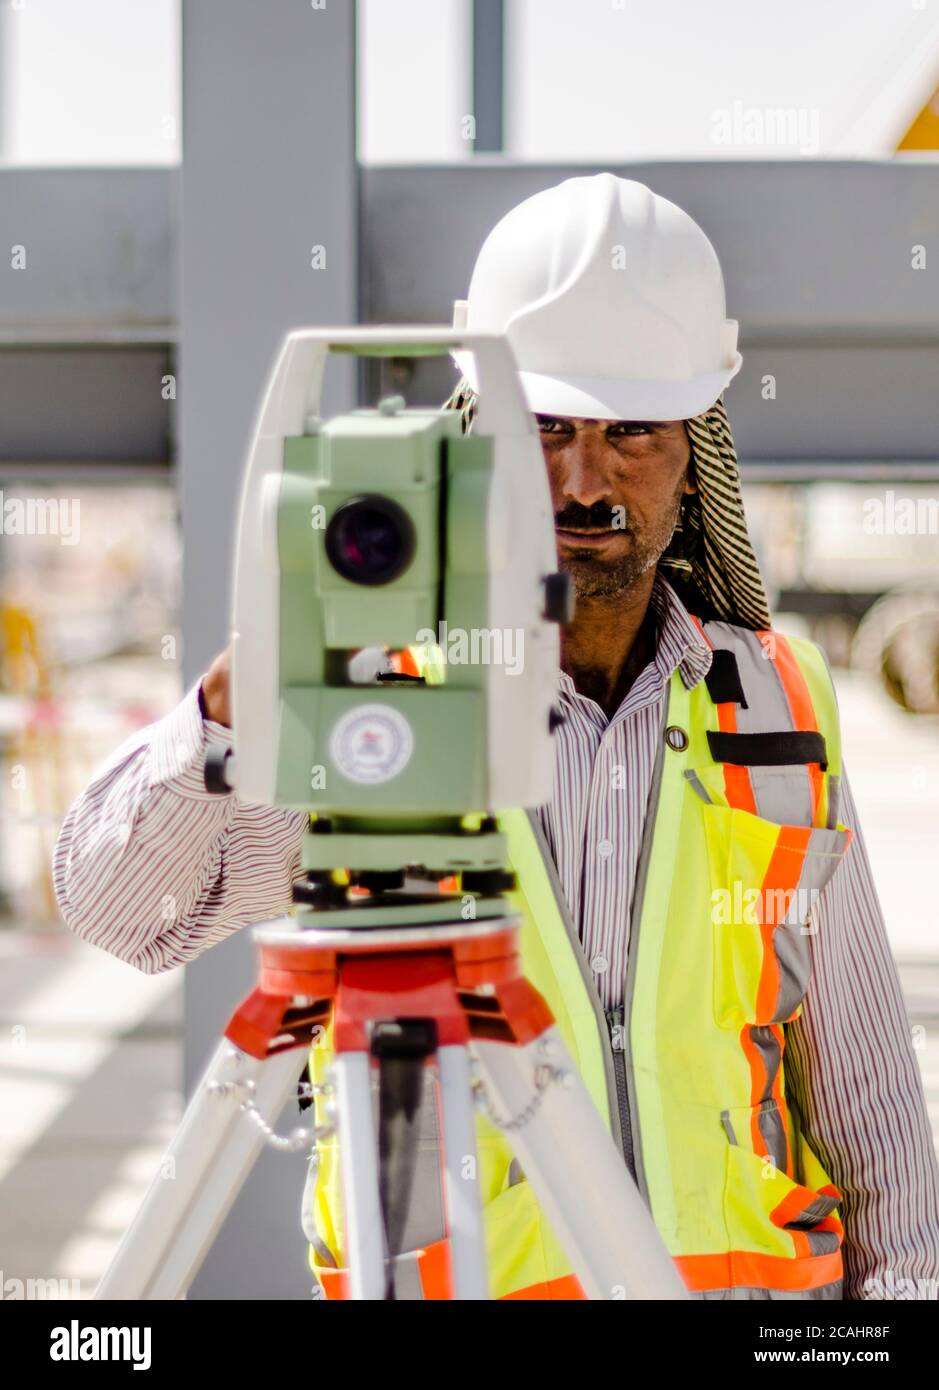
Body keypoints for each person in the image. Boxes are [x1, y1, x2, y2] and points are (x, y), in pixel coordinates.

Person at [54, 173, 939, 1301]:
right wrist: (244, 699)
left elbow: (867, 1093)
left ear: (691, 450)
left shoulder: (774, 703)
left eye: (631, 432)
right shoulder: (381, 712)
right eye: (547, 427)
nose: (583, 477)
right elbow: (117, 905)